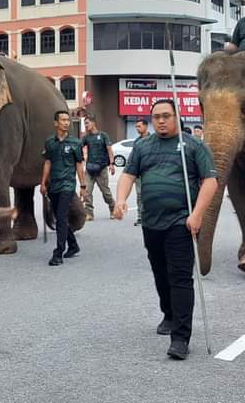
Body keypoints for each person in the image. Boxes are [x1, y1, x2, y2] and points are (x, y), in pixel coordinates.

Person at [113, 99, 218, 361]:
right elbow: (128, 175)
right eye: (156, 117)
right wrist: (121, 199)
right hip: (151, 221)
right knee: (160, 273)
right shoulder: (143, 146)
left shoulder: (193, 146)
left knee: (180, 277)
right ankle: (169, 314)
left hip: (182, 222)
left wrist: (197, 215)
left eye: (166, 116)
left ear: (177, 117)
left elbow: (210, 182)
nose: (161, 121)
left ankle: (181, 337)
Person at [40, 110, 87, 266]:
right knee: (60, 218)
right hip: (54, 185)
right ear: (56, 123)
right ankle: (73, 246)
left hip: (67, 185)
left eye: (68, 120)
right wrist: (42, 183)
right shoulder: (50, 142)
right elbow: (48, 163)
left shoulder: (75, 143)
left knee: (60, 217)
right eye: (63, 120)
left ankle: (58, 253)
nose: (66, 122)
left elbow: (79, 165)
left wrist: (83, 185)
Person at [80, 118, 116, 220]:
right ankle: (89, 213)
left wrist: (112, 164)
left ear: (93, 123)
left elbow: (109, 150)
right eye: (85, 124)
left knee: (106, 192)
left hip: (102, 169)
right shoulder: (86, 137)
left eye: (87, 123)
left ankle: (113, 207)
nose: (86, 125)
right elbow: (79, 148)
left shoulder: (103, 135)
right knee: (87, 191)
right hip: (90, 169)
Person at [133, 117, 150, 227]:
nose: (137, 128)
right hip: (139, 174)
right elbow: (134, 158)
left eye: (139, 126)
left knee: (150, 195)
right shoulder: (137, 141)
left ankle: (150, 217)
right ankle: (140, 217)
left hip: (150, 173)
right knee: (139, 196)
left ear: (146, 126)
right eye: (136, 127)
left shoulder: (153, 139)